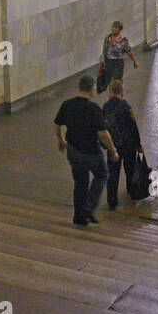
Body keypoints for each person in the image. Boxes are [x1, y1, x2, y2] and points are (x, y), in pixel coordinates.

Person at [54, 75, 118, 226]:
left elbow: (57, 124)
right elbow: (103, 134)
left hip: (73, 150)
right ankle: (89, 208)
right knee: (102, 175)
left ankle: (78, 216)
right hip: (90, 152)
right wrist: (113, 150)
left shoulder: (67, 104)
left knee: (80, 182)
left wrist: (61, 140)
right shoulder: (93, 108)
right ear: (91, 89)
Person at [102, 80, 145, 209]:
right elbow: (133, 127)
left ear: (110, 91)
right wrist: (138, 144)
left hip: (113, 145)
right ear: (122, 91)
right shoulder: (126, 106)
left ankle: (112, 200)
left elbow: (103, 127)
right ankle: (132, 192)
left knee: (113, 173)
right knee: (130, 169)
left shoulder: (106, 107)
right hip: (128, 145)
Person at [100, 20, 139, 87]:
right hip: (109, 62)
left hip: (118, 63)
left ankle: (119, 94)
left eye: (116, 28)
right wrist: (102, 62)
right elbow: (104, 50)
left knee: (117, 81)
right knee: (108, 81)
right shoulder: (107, 38)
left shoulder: (123, 41)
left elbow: (129, 52)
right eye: (113, 27)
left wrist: (134, 61)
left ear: (120, 29)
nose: (113, 29)